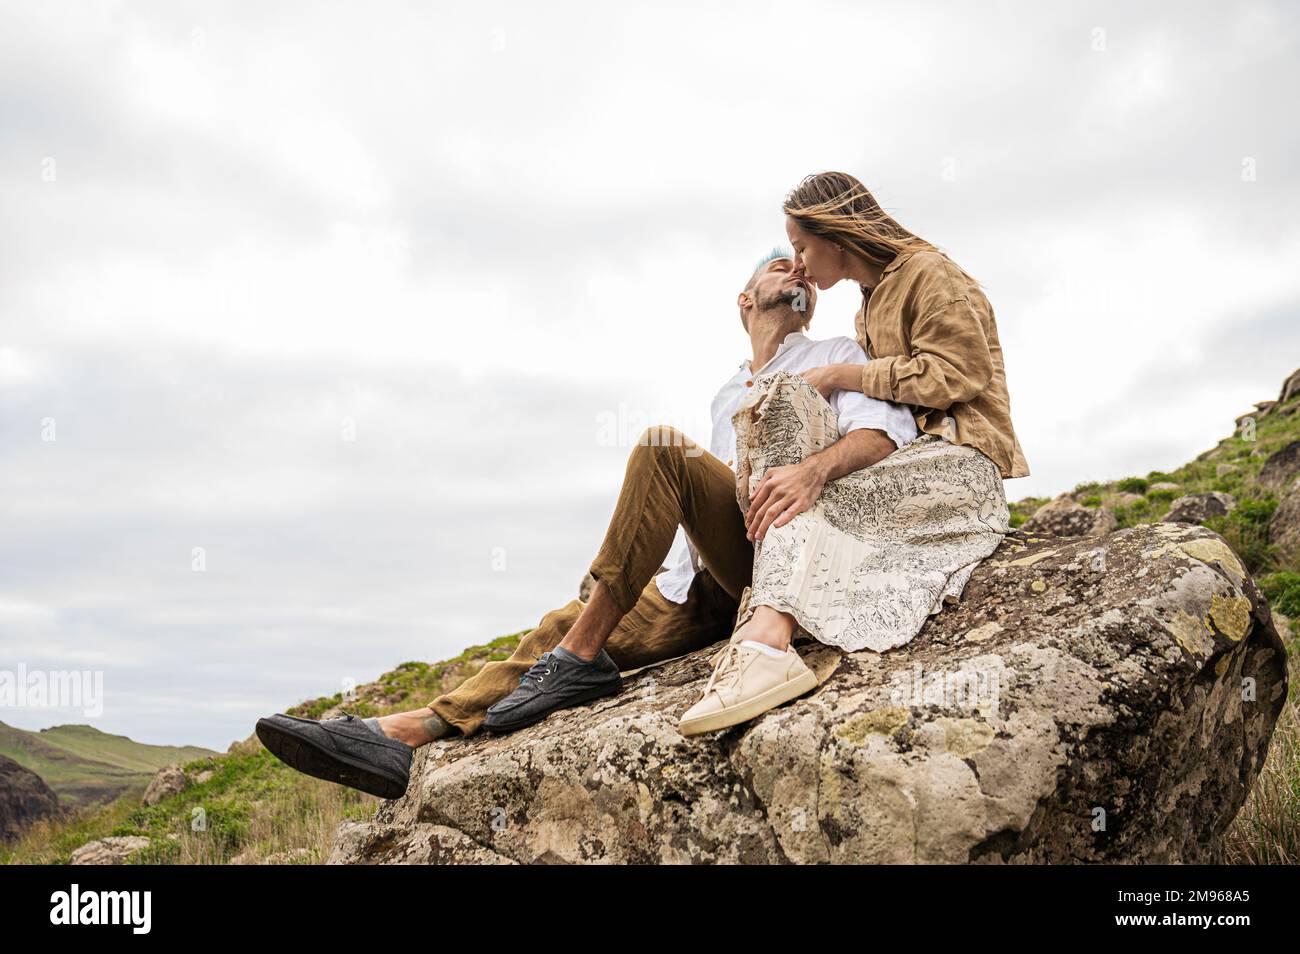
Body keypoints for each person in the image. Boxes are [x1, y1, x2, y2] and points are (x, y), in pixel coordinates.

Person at [254, 248, 917, 798]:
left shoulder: (832, 351)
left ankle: (579, 660)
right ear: (745, 300)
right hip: (701, 583)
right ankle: (405, 735)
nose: (798, 271)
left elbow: (884, 436)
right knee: (554, 625)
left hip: (777, 568)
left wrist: (812, 472)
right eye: (779, 265)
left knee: (662, 449)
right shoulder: (728, 391)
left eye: (805, 269)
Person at [734, 170, 1029, 659]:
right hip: (910, 465)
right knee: (794, 484)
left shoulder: (927, 271)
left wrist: (837, 376)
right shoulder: (866, 310)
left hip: (961, 460)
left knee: (809, 498)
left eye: (802, 248)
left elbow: (960, 374)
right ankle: (768, 635)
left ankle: (764, 646)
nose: (801, 266)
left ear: (837, 233)